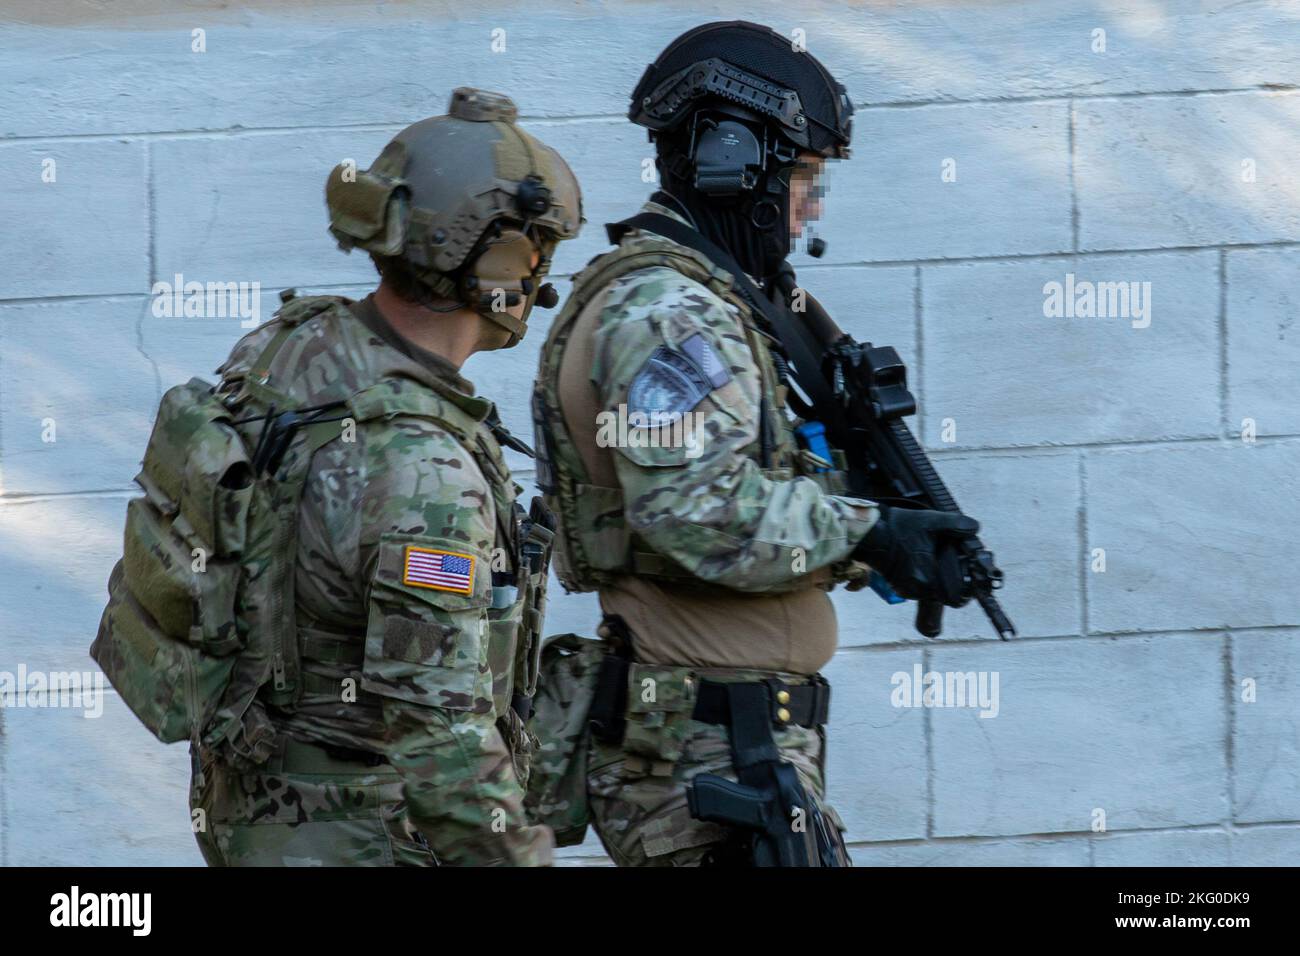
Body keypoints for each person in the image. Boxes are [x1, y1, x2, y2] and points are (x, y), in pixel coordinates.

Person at [93, 88, 582, 865]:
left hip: (251, 807)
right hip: (357, 834)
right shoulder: (425, 472)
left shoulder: (289, 347)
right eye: (535, 251)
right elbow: (443, 733)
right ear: (491, 259)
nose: (538, 276)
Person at [531, 22, 977, 866]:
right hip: (704, 753)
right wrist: (871, 531)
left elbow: (747, 490)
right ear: (731, 159)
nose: (810, 207)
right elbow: (692, 509)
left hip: (735, 744)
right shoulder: (668, 314)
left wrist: (889, 535)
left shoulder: (720, 300)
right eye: (805, 178)